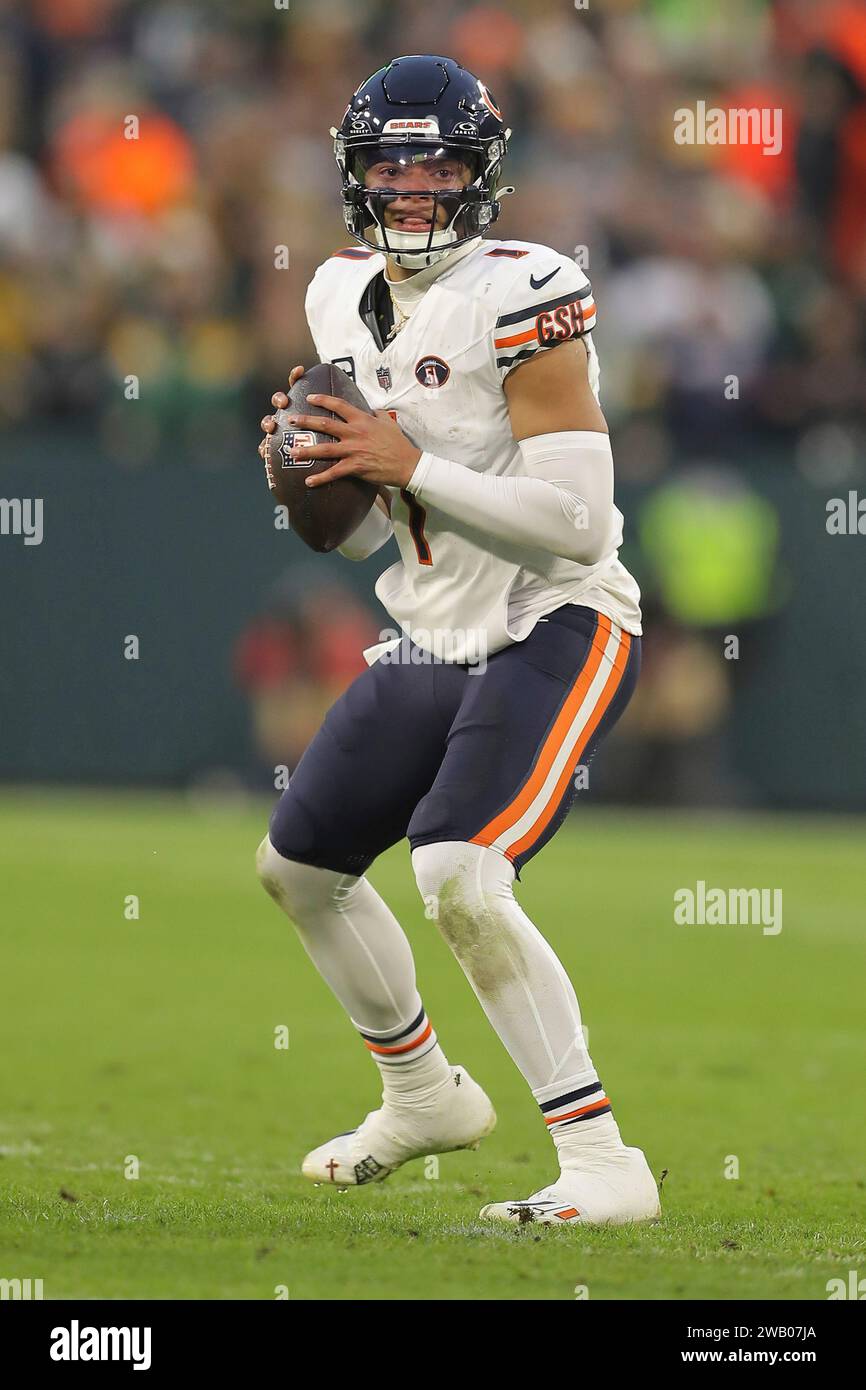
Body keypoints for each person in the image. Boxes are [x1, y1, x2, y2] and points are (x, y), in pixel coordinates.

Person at [256, 54, 659, 1226]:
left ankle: (600, 1162)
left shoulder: (524, 288)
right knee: (299, 870)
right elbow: (348, 535)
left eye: (437, 159)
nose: (413, 183)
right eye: (390, 161)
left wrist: (404, 460)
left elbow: (577, 522)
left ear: (481, 174)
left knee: (458, 873)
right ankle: (421, 1090)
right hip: (431, 634)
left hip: (557, 615)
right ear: (355, 175)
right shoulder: (336, 296)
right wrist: (309, 478)